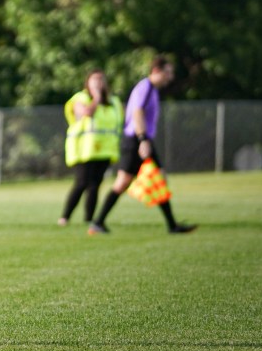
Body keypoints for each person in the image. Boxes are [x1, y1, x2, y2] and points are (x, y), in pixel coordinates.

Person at [89, 55, 197, 235]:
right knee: (123, 182)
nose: (170, 77)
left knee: (157, 177)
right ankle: (97, 223)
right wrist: (142, 140)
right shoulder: (145, 88)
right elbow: (137, 113)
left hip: (142, 139)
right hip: (136, 140)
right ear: (156, 71)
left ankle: (172, 225)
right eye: (167, 72)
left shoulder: (152, 90)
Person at [59, 69, 122, 227]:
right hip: (84, 150)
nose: (98, 83)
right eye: (94, 80)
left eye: (101, 79)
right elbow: (87, 113)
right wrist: (97, 98)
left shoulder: (114, 101)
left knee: (95, 185)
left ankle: (89, 218)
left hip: (105, 150)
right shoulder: (80, 98)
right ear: (88, 82)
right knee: (81, 183)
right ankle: (65, 217)